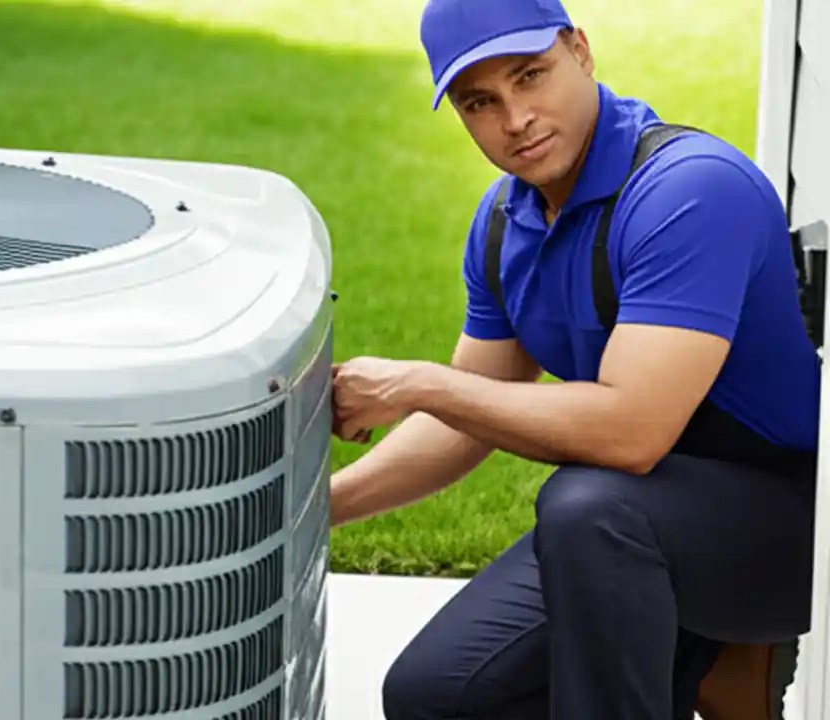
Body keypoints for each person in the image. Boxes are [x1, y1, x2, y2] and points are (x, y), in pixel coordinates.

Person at [328, 0, 822, 717]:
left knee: (587, 504)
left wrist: (420, 383)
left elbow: (631, 432)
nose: (515, 117)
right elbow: (468, 416)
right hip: (639, 530)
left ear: (581, 52)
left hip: (787, 534)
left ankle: (727, 654)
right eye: (480, 101)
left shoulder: (689, 190)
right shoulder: (505, 222)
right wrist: (313, 518)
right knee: (436, 695)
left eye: (531, 76)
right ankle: (705, 666)